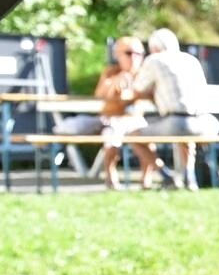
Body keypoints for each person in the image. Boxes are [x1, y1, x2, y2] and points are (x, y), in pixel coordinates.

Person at [54, 37, 150, 187]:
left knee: (141, 133)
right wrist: (115, 82)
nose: (135, 57)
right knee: (106, 132)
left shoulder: (146, 73)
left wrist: (130, 94)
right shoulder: (111, 72)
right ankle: (110, 177)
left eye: (139, 53)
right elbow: (99, 95)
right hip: (108, 119)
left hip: (134, 120)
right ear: (117, 55)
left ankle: (147, 179)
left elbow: (145, 96)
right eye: (129, 53)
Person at [130, 28, 219, 189]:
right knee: (184, 138)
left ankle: (166, 175)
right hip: (207, 122)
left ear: (154, 48)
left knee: (134, 137)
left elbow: (137, 88)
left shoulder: (155, 60)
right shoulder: (191, 60)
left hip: (178, 122)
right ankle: (190, 180)